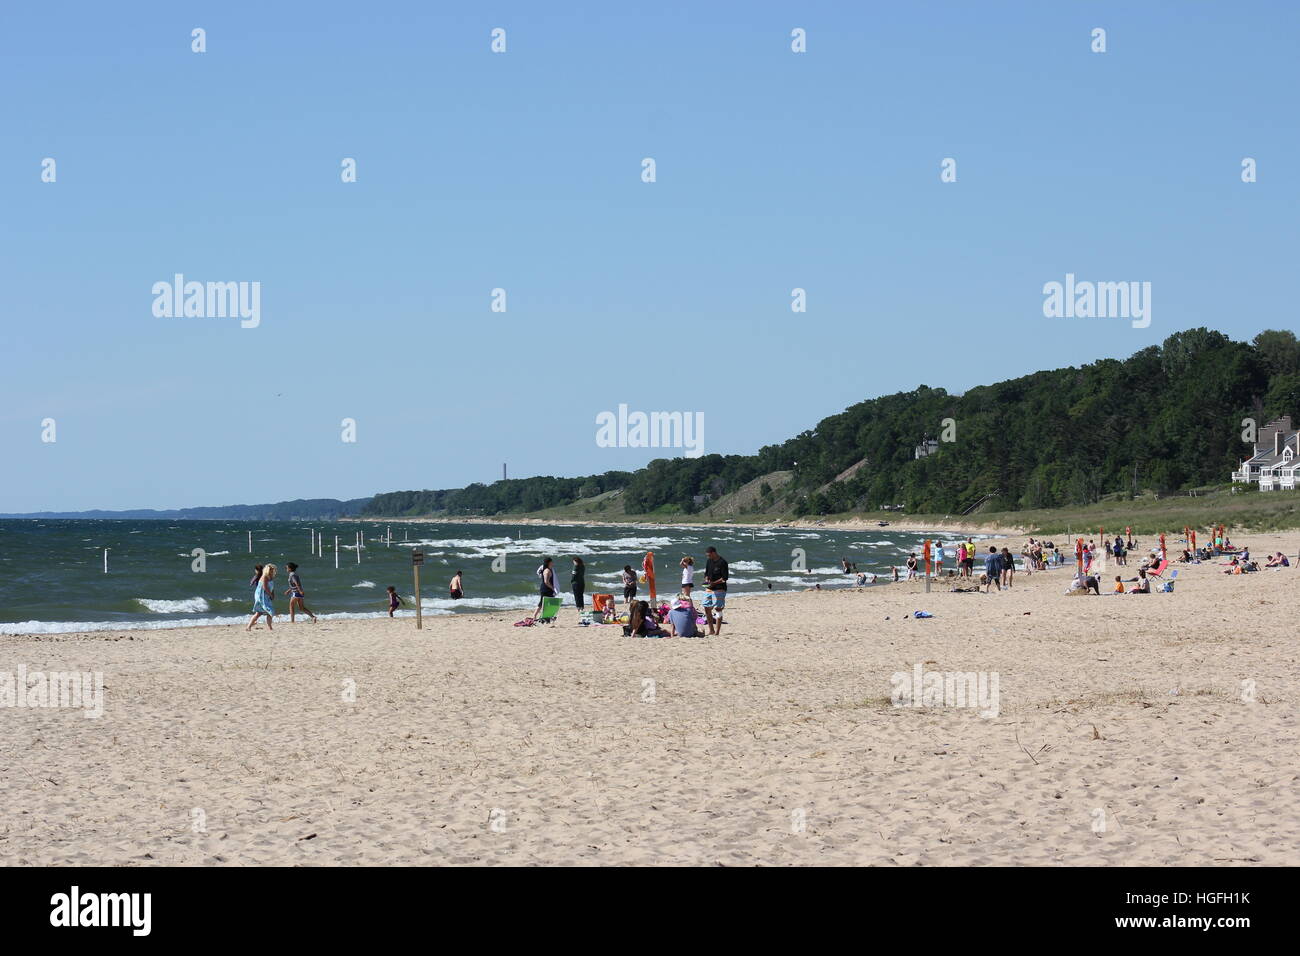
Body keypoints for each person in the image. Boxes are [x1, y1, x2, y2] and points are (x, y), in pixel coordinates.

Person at [703, 546, 728, 635]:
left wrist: (714, 583)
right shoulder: (709, 561)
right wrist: (706, 580)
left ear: (714, 553)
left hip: (720, 588)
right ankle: (711, 630)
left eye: (709, 555)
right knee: (706, 607)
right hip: (709, 588)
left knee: (718, 608)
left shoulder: (723, 562)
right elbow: (706, 573)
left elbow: (724, 578)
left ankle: (717, 632)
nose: (708, 557)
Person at [246, 564, 276, 631]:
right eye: (271, 570)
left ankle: (270, 627)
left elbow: (272, 587)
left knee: (267, 612)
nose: (272, 571)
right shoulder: (264, 576)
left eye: (273, 570)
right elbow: (264, 587)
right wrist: (270, 595)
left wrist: (273, 594)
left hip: (266, 595)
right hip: (261, 595)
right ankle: (249, 626)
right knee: (262, 612)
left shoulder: (271, 577)